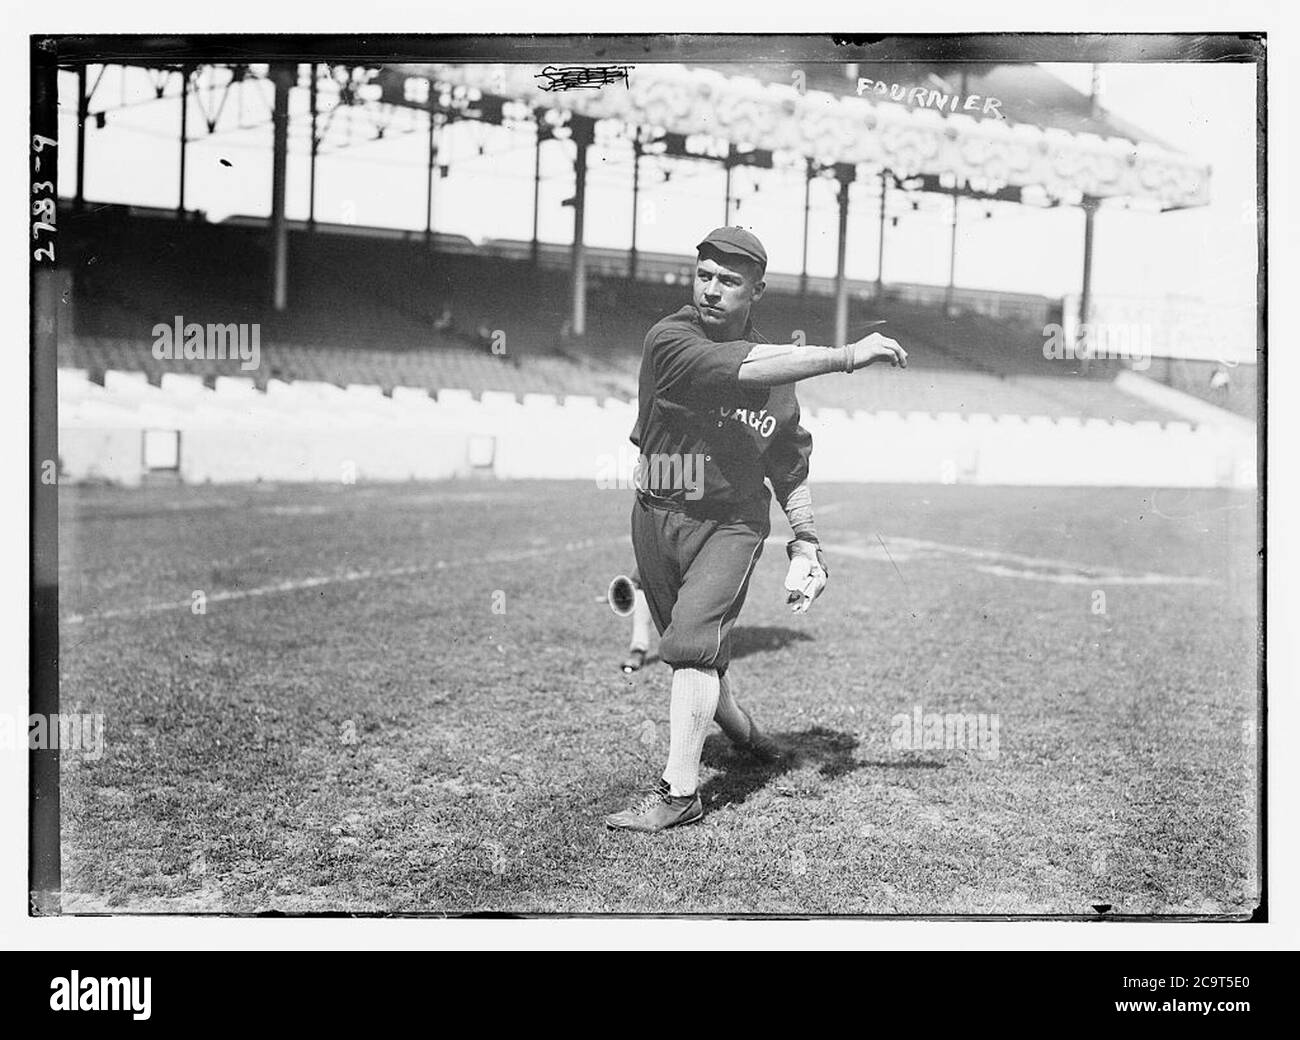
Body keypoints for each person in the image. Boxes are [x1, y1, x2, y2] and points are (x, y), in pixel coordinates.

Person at [605, 226, 908, 832]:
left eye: (729, 281)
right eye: (704, 276)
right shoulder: (670, 338)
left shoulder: (777, 372)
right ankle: (750, 737)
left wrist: (806, 539)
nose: (711, 290)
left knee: (690, 643)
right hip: (656, 514)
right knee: (698, 663)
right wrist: (848, 355)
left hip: (730, 524)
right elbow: (747, 368)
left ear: (757, 291)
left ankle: (679, 793)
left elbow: (788, 465)